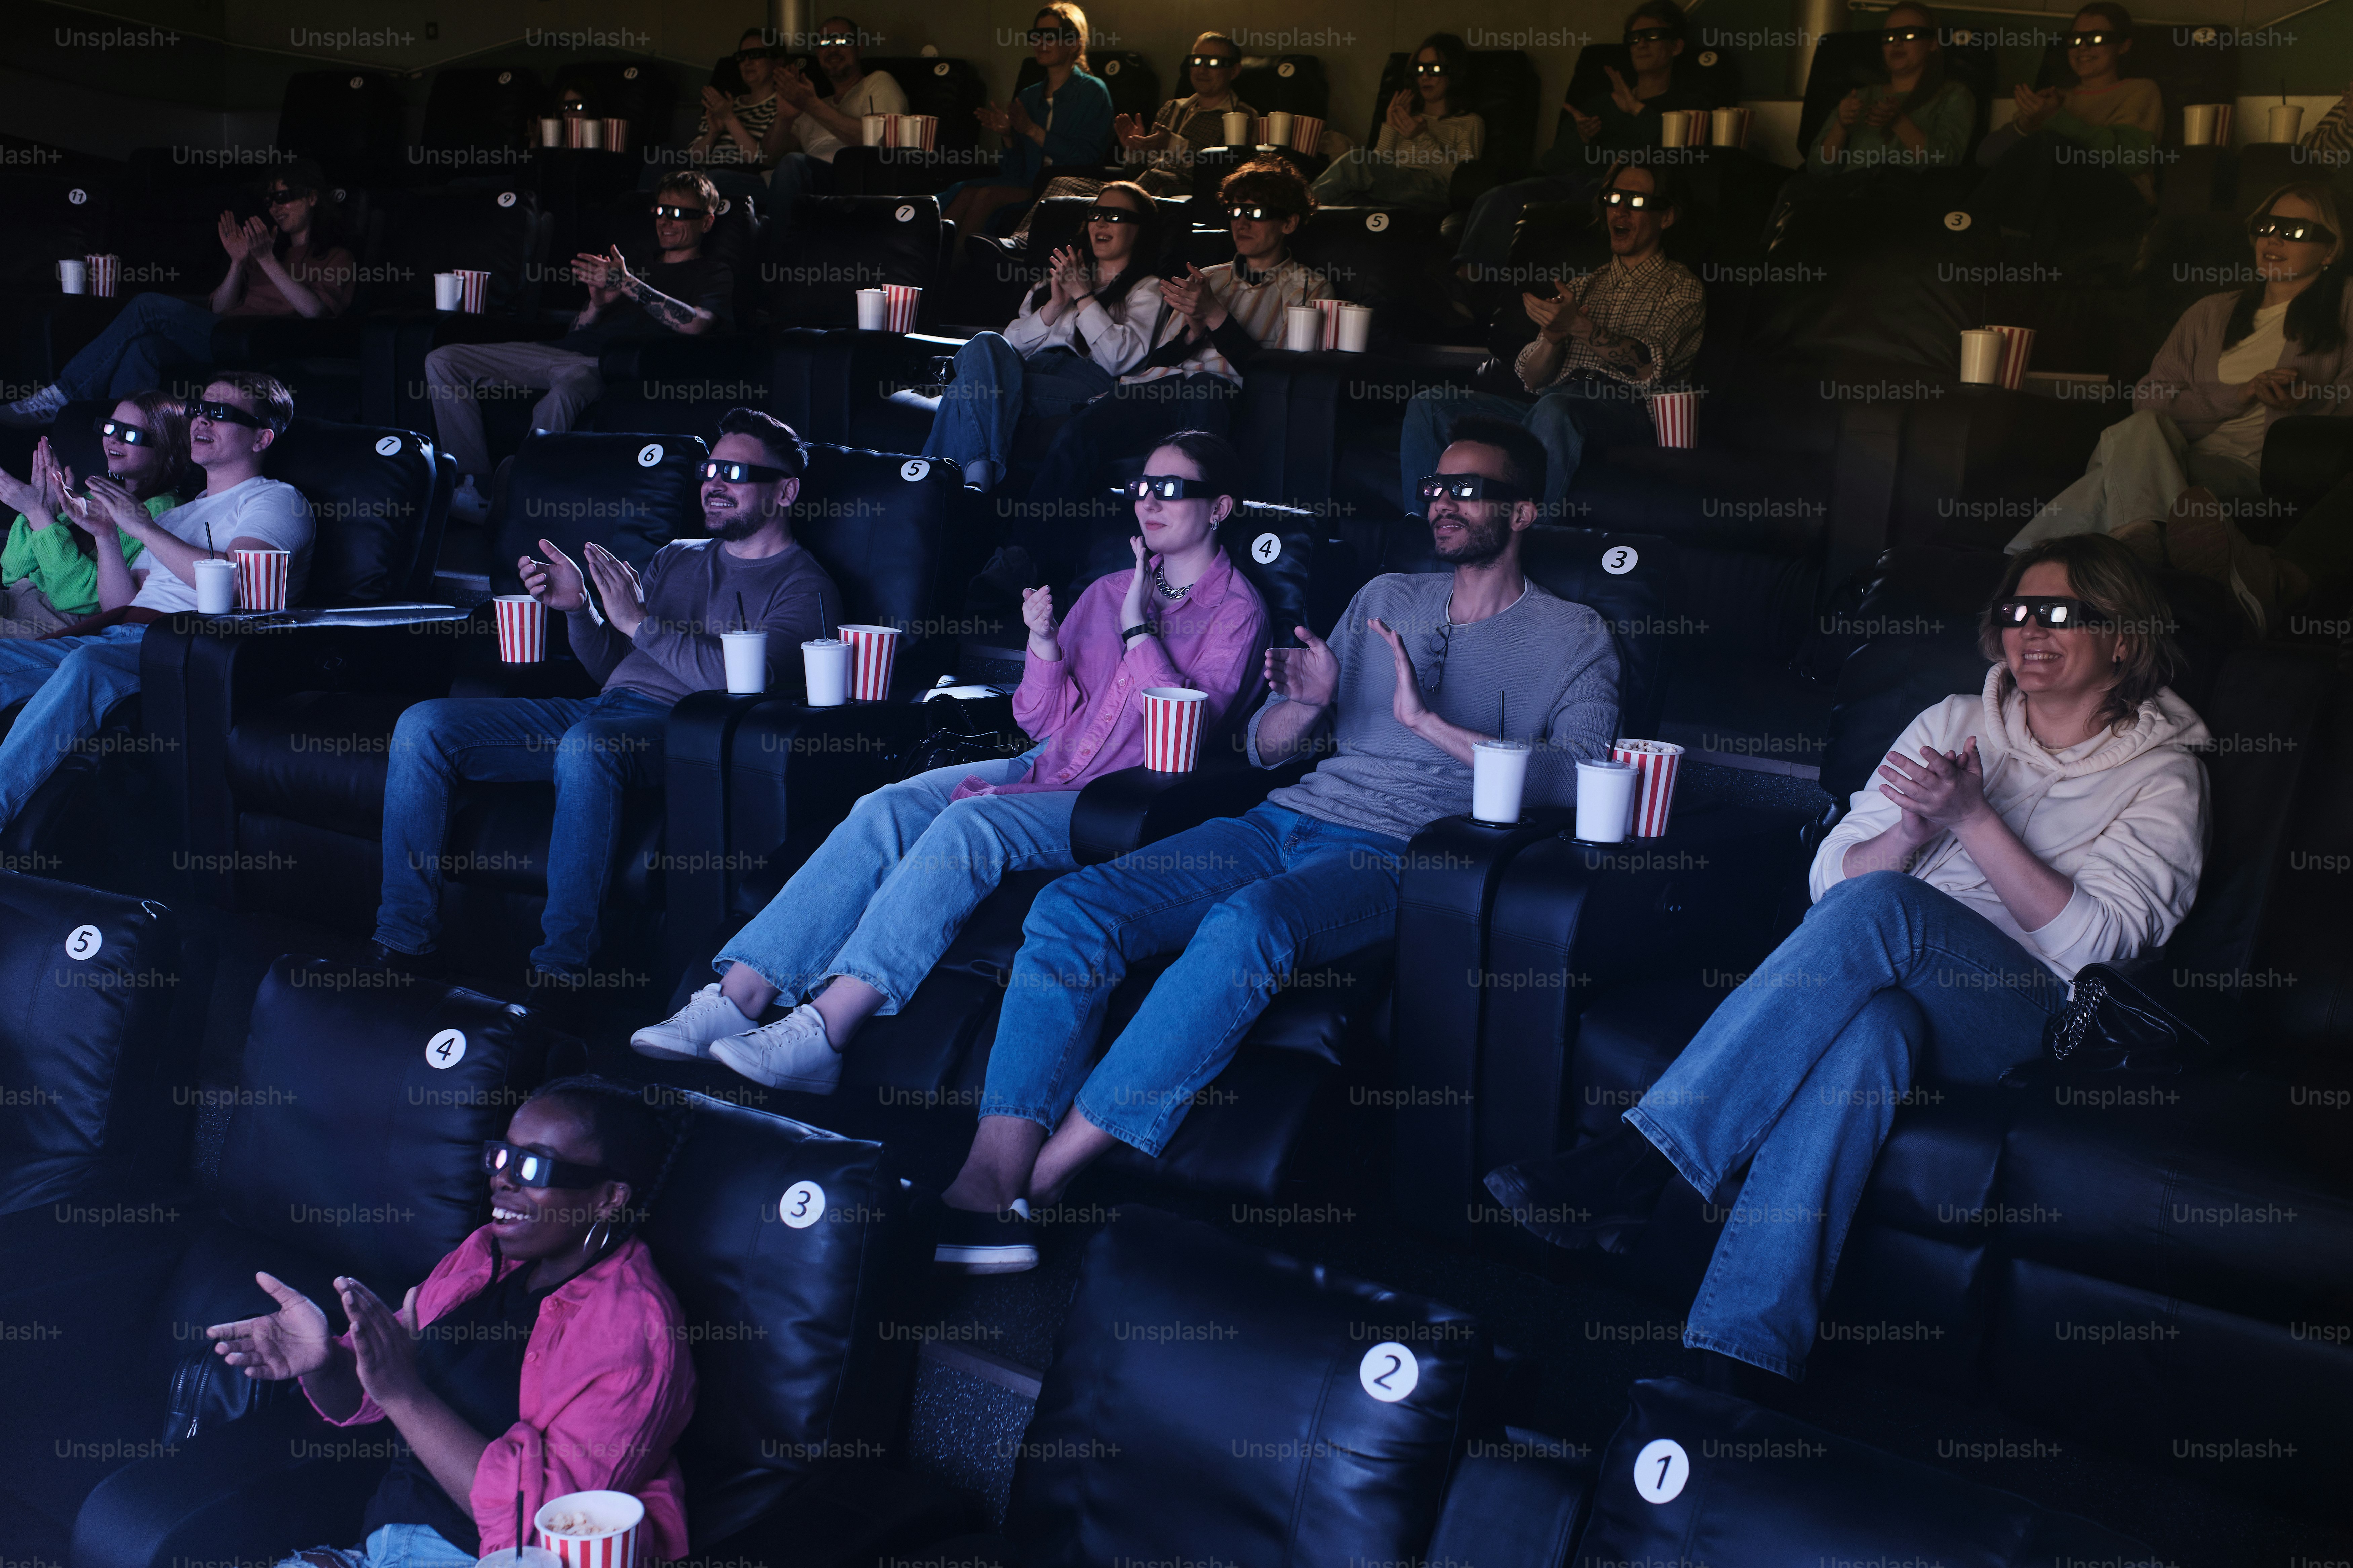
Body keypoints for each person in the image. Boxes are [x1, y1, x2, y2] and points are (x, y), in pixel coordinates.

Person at [1487, 535, 2210, 1385]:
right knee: (1872, 1029)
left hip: (2027, 1015)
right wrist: (1910, 830)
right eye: (2016, 610)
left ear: (2123, 637)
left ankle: (1642, 1160)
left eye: (2060, 613)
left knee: (1886, 908)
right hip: (1894, 981)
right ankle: (1739, 1352)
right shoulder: (1953, 719)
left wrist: (1975, 819)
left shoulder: (2165, 774)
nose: (2030, 630)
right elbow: (1833, 875)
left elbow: (2099, 948)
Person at [928, 417, 1622, 1272]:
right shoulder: (1383, 597)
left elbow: (1587, 781)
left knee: (1248, 924)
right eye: (1436, 487)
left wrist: (1430, 726)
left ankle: (1048, 1171)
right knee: (1073, 905)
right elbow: (1264, 746)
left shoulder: (1576, 632)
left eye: (1469, 488)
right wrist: (1311, 707)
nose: (1443, 501)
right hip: (1286, 818)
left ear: (1523, 513)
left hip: (1402, 854)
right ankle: (987, 1176)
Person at [632, 431, 1270, 1090]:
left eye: (1170, 489)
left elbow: (1187, 738)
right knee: (888, 804)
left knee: (973, 826)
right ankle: (735, 998)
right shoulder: (1107, 589)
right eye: (1141, 487)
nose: (1148, 502)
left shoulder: (1238, 613)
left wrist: (1139, 628)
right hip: (1046, 762)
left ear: (1219, 506)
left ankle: (826, 1030)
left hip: (1118, 805)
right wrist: (1044, 646)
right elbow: (1039, 721)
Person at [371, 409, 842, 986]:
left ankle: (562, 971)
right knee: (424, 726)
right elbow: (613, 668)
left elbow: (751, 681)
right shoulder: (677, 556)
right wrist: (583, 611)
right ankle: (404, 942)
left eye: (736, 472)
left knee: (588, 745)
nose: (714, 484)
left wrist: (639, 621)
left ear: (786, 490)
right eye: (710, 469)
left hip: (685, 732)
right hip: (603, 711)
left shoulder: (805, 585)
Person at [208, 1077, 697, 1564]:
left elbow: (544, 1528)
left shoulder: (637, 1335)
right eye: (501, 1157)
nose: (502, 1180)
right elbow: (371, 1389)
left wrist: (405, 1393)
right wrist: (325, 1362)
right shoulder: (486, 1255)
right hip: (374, 1550)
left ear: (610, 1196)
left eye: (534, 1165)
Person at [2005, 183, 2353, 628]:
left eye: (2297, 231)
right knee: (2141, 425)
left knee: (2116, 468)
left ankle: (2018, 567)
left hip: (2252, 466)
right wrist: (2241, 393)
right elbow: (2149, 396)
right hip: (2174, 450)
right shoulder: (2210, 312)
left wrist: (2303, 403)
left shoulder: (2345, 307)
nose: (2275, 240)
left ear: (2330, 250)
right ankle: (2143, 537)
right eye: (2267, 227)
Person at [0, 373, 310, 831]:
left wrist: (143, 526)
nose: (203, 419)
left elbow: (242, 583)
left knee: (90, 663)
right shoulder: (181, 513)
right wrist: (106, 534)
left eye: (222, 413)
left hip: (185, 646)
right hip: (124, 632)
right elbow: (124, 601)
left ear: (262, 437)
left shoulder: (276, 499)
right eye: (199, 410)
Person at [1020, 161, 1325, 566]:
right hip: (1157, 384)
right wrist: (1193, 333)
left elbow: (1275, 376)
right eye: (1234, 212)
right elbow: (1159, 359)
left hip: (1222, 390)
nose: (1241, 223)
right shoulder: (1207, 277)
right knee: (1077, 436)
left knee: (1199, 407)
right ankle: (1024, 560)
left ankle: (1190, 564)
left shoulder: (1310, 286)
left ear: (1288, 223)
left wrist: (1216, 316)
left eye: (1255, 213)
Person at [425, 172, 732, 524]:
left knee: (565, 390)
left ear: (707, 222)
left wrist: (630, 284)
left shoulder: (713, 272)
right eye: (662, 211)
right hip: (562, 351)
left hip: (606, 364)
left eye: (680, 214)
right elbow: (578, 330)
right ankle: (475, 487)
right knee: (444, 360)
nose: (666, 221)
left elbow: (696, 325)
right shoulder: (632, 268)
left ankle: (521, 491)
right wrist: (598, 304)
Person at [1402, 162, 1703, 507]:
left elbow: (1646, 368)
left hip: (1624, 412)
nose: (1619, 210)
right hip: (1552, 405)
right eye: (1614, 198)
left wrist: (1578, 325)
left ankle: (1528, 536)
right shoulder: (1583, 286)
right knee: (1428, 405)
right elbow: (1531, 379)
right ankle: (1424, 535)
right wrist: (1552, 337)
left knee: (1556, 408)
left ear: (1666, 217)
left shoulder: (1682, 288)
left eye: (1636, 202)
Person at [1, 163, 354, 427]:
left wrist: (266, 260)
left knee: (147, 305)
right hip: (222, 336)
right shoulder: (264, 251)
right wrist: (238, 262)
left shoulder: (336, 256)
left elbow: (315, 313)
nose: (276, 207)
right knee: (144, 348)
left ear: (311, 197)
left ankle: (63, 395)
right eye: (270, 200)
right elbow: (220, 307)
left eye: (284, 197)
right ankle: (118, 432)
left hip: (264, 342)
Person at [920, 181, 1166, 495]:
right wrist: (1054, 306)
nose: (1102, 223)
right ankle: (976, 479)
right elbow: (1011, 345)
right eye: (1096, 214)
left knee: (962, 389)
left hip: (1085, 385)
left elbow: (1120, 361)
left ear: (1140, 230)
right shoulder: (1057, 279)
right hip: (1026, 370)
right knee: (986, 342)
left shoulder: (1148, 289)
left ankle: (935, 487)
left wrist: (1083, 296)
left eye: (1115, 216)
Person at [1456, 2, 1717, 279]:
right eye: (1634, 38)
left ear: (1676, 46)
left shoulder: (1687, 107)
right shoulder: (1601, 105)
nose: (1641, 44)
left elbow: (1680, 159)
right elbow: (1552, 163)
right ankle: (1465, 289)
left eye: (1652, 36)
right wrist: (1581, 139)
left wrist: (1638, 111)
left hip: (1617, 190)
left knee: (1572, 209)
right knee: (1499, 197)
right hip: (1573, 180)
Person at [0, 392, 185, 636]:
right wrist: (45, 505)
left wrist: (39, 516)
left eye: (130, 434)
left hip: (59, 623)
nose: (114, 439)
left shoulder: (161, 509)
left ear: (164, 447)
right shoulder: (98, 493)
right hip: (16, 601)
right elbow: (11, 572)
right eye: (110, 428)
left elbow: (84, 599)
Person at [1969, 4, 2163, 229]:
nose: (2084, 48)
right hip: (2056, 201)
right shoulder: (2055, 99)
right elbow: (1985, 158)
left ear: (2123, 46)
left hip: (2121, 200)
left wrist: (2057, 119)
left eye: (2097, 38)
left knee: (2051, 145)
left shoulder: (2140, 90)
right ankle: (1975, 231)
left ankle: (1977, 231)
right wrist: (2026, 125)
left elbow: (2131, 159)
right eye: (2075, 40)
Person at [940, 4, 1114, 238]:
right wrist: (1008, 136)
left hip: (1062, 187)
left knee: (988, 195)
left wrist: (1033, 131)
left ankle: (956, 267)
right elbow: (1014, 171)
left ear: (1073, 43)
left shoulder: (1093, 92)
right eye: (1036, 36)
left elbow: (1088, 159)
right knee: (967, 192)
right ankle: (927, 259)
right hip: (1026, 183)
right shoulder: (1029, 96)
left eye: (1050, 37)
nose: (1040, 43)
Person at [1803, 3, 1975, 185]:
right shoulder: (1859, 97)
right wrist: (1841, 126)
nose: (1897, 43)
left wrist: (1898, 122)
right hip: (1849, 196)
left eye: (1909, 35)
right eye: (1889, 37)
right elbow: (1817, 169)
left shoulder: (1954, 96)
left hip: (1906, 199)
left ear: (1933, 43)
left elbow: (1946, 164)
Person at [1312, 33, 1484, 213]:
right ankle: (1292, 220)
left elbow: (1462, 184)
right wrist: (1390, 127)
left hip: (1432, 189)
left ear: (1453, 72)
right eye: (1420, 70)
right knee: (1346, 197)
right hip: (1392, 187)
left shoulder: (1469, 123)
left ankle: (1291, 210)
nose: (1425, 77)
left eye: (1434, 69)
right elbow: (1378, 166)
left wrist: (1421, 138)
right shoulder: (1407, 117)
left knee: (1355, 160)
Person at [767, 17, 909, 220]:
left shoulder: (878, 82)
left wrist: (812, 106)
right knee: (721, 180)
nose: (832, 49)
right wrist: (784, 118)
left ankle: (776, 253)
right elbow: (770, 158)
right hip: (804, 182)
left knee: (793, 164)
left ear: (859, 47)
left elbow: (881, 141)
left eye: (842, 41)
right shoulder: (810, 103)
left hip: (852, 181)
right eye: (824, 43)